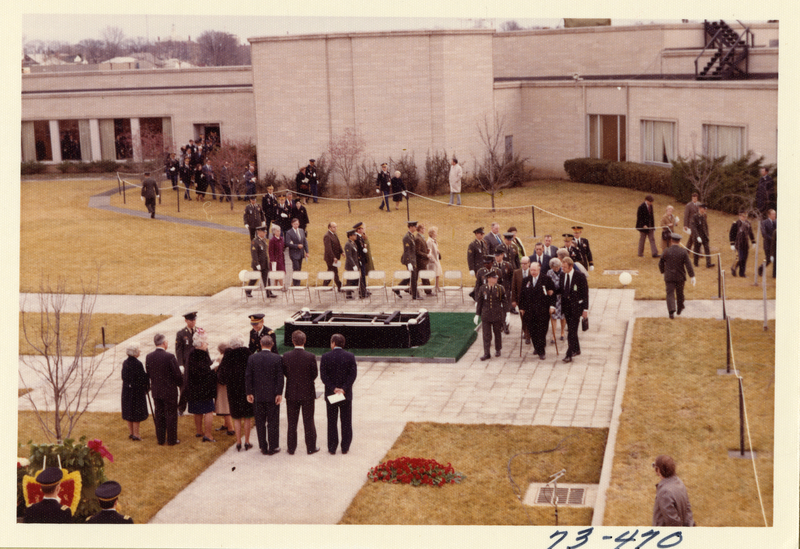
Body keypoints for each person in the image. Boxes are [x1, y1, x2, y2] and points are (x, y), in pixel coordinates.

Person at [282, 330, 320, 455]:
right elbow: (314, 374)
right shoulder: (310, 356)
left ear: (293, 341)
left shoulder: (286, 356)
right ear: (305, 341)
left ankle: (291, 448)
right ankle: (311, 447)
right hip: (307, 392)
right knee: (308, 421)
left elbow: (286, 373)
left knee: (292, 422)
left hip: (292, 392)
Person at [246, 335, 284, 455]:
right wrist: (279, 393)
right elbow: (280, 378)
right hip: (272, 396)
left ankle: (263, 446)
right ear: (272, 345)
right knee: (273, 421)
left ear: (261, 345)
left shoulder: (252, 358)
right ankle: (273, 446)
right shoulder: (277, 358)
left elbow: (248, 376)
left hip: (257, 395)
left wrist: (249, 392)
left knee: (260, 422)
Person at [320, 333, 357, 455]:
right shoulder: (350, 356)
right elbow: (353, 375)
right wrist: (343, 389)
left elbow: (324, 376)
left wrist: (334, 388)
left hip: (332, 394)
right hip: (345, 395)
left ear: (333, 343)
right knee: (346, 421)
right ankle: (345, 447)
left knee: (332, 421)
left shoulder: (325, 357)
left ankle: (332, 447)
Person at [218, 334, 254, 451]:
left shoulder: (227, 356)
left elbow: (221, 375)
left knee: (237, 417)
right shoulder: (248, 354)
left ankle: (238, 442)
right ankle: (247, 442)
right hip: (246, 389)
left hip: (232, 390)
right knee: (247, 417)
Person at [145, 333, 183, 445]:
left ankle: (160, 439)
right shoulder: (170, 357)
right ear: (164, 343)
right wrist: (180, 384)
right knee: (171, 415)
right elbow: (177, 375)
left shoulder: (149, 356)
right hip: (169, 391)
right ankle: (171, 440)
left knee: (159, 414)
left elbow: (149, 373)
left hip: (156, 390)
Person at [185, 328, 217, 442]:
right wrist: (214, 365)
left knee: (197, 410)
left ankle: (199, 431)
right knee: (208, 410)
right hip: (204, 388)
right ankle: (208, 435)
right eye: (207, 342)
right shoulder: (202, 354)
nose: (207, 344)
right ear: (202, 343)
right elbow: (204, 371)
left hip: (193, 387)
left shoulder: (191, 353)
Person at [519, 261, 556, 360]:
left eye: (535, 270)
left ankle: (541, 351)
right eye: (531, 270)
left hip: (543, 311)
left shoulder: (546, 279)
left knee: (542, 331)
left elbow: (552, 294)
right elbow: (522, 295)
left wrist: (552, 306)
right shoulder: (526, 280)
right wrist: (521, 307)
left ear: (539, 269)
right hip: (530, 311)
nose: (533, 272)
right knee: (532, 330)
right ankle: (537, 347)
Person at [658, 233, 696, 319]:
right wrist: (692, 276)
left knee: (670, 293)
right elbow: (688, 265)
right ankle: (680, 308)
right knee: (680, 293)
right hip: (680, 276)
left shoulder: (666, 251)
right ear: (679, 241)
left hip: (669, 276)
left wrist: (663, 272)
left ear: (671, 241)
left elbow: (660, 263)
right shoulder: (683, 251)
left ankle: (671, 311)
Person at [559, 257, 589, 363]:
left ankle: (569, 354)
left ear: (571, 267)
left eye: (565, 267)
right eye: (562, 267)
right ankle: (576, 349)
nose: (562, 269)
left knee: (571, 331)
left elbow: (585, 294)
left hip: (576, 308)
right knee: (573, 330)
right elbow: (561, 289)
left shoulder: (580, 276)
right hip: (566, 308)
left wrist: (585, 309)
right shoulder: (562, 275)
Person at [652, 455, 696, 527]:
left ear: (658, 470)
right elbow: (688, 511)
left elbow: (672, 521)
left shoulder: (664, 492)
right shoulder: (680, 483)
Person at [475, 270, 508, 360]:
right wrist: (477, 314)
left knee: (497, 333)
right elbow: (480, 302)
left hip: (497, 315)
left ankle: (498, 349)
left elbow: (504, 302)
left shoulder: (500, 288)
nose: (496, 279)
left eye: (496, 277)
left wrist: (507, 313)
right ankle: (487, 353)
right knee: (486, 334)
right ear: (489, 279)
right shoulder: (483, 288)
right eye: (494, 277)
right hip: (486, 315)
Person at [121, 343, 149, 442]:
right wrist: (147, 383)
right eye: (138, 350)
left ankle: (131, 433)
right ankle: (136, 435)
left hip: (127, 390)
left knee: (129, 410)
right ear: (135, 353)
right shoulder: (138, 364)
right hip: (136, 391)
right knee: (137, 412)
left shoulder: (125, 363)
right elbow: (142, 378)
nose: (140, 352)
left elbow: (123, 377)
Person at [175, 311, 197, 415]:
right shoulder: (181, 333)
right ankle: (181, 408)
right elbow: (179, 350)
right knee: (184, 387)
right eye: (191, 320)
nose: (193, 322)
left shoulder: (199, 331)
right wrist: (180, 364)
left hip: (196, 362)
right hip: (186, 363)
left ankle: (195, 406)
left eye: (194, 320)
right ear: (186, 321)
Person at [212, 342, 235, 435]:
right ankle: (226, 424)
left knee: (224, 407)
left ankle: (231, 429)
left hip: (221, 386)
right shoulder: (232, 357)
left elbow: (215, 369)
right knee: (226, 405)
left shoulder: (220, 358)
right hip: (229, 384)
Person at [492, 249, 514, 334]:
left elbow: (512, 278)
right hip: (496, 290)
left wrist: (511, 289)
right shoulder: (492, 266)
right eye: (496, 256)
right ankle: (500, 325)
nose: (497, 257)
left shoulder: (508, 265)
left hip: (506, 290)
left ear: (502, 255)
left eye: (498, 255)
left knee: (506, 308)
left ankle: (505, 326)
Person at [729, 210, 755, 277]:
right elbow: (732, 234)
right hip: (738, 244)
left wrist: (753, 241)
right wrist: (732, 243)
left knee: (744, 259)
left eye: (746, 216)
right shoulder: (736, 224)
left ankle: (742, 273)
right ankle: (733, 268)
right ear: (740, 216)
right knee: (740, 258)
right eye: (743, 216)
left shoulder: (748, 223)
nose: (745, 217)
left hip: (745, 244)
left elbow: (750, 233)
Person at [511, 256, 531, 342]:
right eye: (522, 263)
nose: (523, 265)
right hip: (521, 300)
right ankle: (525, 331)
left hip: (531, 300)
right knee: (523, 317)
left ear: (529, 263)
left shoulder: (532, 271)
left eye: (525, 263)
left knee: (529, 317)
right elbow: (514, 287)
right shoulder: (517, 272)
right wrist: (513, 300)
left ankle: (528, 335)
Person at [547, 257, 566, 344]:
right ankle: (553, 335)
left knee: (563, 315)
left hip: (562, 297)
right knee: (553, 316)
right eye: (555, 267)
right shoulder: (549, 273)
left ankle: (562, 332)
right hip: (553, 297)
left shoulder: (563, 272)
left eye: (558, 267)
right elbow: (547, 284)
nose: (557, 268)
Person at [285, 217, 309, 284]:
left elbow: (304, 242)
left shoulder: (301, 231)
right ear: (292, 224)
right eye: (295, 224)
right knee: (296, 268)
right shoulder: (289, 232)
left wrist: (307, 251)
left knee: (299, 268)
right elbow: (287, 243)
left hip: (301, 253)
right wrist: (297, 246)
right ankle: (296, 284)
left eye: (297, 224)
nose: (296, 225)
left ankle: (297, 282)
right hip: (294, 253)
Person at [690, 204, 715, 268]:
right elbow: (694, 227)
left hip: (704, 236)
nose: (705, 210)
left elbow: (705, 226)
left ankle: (708, 263)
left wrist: (707, 234)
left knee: (707, 249)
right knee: (696, 249)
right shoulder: (695, 216)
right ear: (700, 208)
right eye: (704, 209)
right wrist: (697, 236)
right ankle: (696, 263)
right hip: (698, 236)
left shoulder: (703, 216)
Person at [248, 224, 269, 297]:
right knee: (254, 278)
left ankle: (269, 293)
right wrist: (257, 264)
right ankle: (248, 291)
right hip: (258, 264)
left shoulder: (263, 240)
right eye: (263, 232)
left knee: (266, 278)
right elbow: (254, 254)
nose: (265, 233)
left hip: (265, 263)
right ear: (259, 232)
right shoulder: (255, 241)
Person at [467, 227, 487, 299]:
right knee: (480, 281)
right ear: (476, 234)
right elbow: (470, 258)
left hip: (484, 266)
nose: (482, 235)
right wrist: (471, 269)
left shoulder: (483, 243)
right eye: (480, 234)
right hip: (477, 267)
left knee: (481, 282)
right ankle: (476, 296)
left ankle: (474, 294)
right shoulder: (472, 245)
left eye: (482, 234)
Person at [402, 220, 420, 299]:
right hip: (410, 260)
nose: (416, 227)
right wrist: (409, 262)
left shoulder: (411, 236)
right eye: (415, 226)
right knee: (413, 278)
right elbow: (407, 251)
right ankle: (415, 295)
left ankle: (414, 294)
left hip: (413, 260)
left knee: (414, 277)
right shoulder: (407, 237)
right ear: (411, 227)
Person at [323, 221, 343, 291]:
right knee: (335, 272)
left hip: (335, 257)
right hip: (330, 258)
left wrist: (342, 251)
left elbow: (338, 243)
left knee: (330, 271)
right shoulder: (327, 236)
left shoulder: (334, 234)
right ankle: (340, 287)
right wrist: (333, 257)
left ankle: (324, 285)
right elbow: (328, 249)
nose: (335, 228)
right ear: (329, 228)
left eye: (336, 226)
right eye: (334, 227)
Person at [344, 228, 361, 299]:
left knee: (356, 279)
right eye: (354, 235)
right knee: (350, 280)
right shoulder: (348, 244)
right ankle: (348, 294)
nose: (355, 236)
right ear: (350, 236)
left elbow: (355, 254)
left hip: (355, 264)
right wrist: (354, 265)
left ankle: (362, 292)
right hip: (351, 265)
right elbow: (349, 256)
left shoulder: (353, 243)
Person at [415, 222, 432, 296]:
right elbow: (417, 251)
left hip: (422, 261)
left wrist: (427, 250)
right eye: (424, 228)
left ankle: (428, 291)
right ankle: (428, 291)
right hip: (420, 261)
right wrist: (426, 255)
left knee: (422, 276)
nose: (425, 230)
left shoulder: (421, 237)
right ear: (420, 229)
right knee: (424, 276)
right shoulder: (418, 238)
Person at [759, 209, 776, 276]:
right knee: (768, 258)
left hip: (774, 245)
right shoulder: (764, 222)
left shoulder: (776, 222)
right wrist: (772, 239)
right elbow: (764, 234)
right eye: (773, 214)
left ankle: (774, 274)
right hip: (768, 244)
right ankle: (761, 268)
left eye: (775, 214)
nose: (774, 215)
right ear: (769, 215)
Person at [268, 225, 285, 291]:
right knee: (278, 273)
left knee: (279, 272)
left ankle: (275, 285)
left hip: (281, 258)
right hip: (275, 259)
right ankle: (282, 286)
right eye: (277, 231)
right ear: (274, 232)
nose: (279, 232)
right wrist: (272, 260)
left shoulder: (281, 239)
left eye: (279, 231)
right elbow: (270, 251)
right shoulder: (272, 240)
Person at [426, 226, 443, 291]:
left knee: (437, 273)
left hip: (436, 259)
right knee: (431, 275)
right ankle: (421, 284)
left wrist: (437, 251)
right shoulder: (429, 241)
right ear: (432, 233)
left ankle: (437, 286)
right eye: (435, 232)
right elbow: (429, 251)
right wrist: (433, 260)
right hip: (433, 260)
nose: (436, 234)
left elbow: (435, 249)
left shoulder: (434, 240)